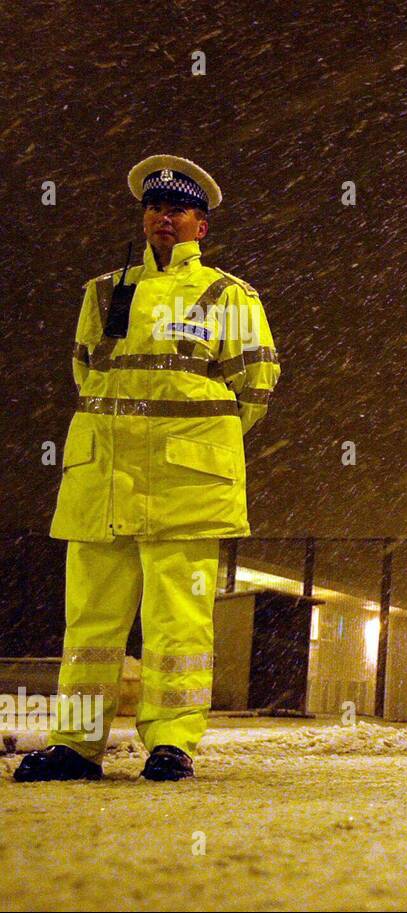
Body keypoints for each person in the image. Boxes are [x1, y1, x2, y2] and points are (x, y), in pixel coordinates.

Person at [15, 155, 280, 782]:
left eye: (180, 210)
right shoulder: (104, 292)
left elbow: (257, 387)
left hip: (185, 482)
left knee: (178, 621)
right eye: (157, 207)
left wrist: (191, 440)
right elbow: (88, 375)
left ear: (201, 227)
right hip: (103, 476)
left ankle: (172, 744)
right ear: (144, 217)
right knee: (90, 623)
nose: (166, 217)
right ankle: (77, 745)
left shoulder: (229, 296)